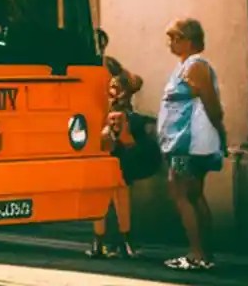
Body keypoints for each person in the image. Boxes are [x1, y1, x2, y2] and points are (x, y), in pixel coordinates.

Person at [158, 17, 225, 272]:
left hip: (187, 144)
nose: (171, 43)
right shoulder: (185, 66)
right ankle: (204, 253)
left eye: (176, 37)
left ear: (190, 40)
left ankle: (197, 253)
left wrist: (221, 133)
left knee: (182, 192)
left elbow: (212, 105)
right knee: (193, 193)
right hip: (183, 143)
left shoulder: (195, 66)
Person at [86, 28, 147, 259]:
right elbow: (134, 81)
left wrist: (121, 92)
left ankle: (110, 241)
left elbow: (134, 81)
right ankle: (112, 241)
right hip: (99, 127)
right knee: (109, 189)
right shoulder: (104, 64)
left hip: (105, 126)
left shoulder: (105, 64)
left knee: (115, 188)